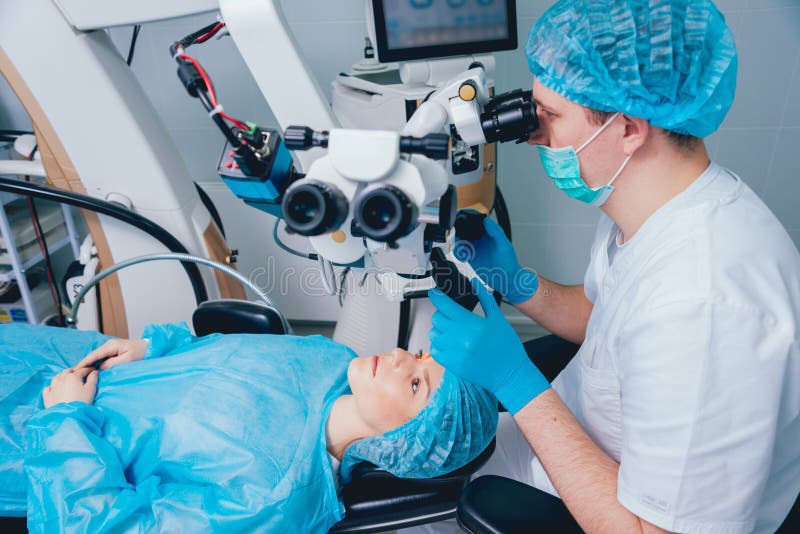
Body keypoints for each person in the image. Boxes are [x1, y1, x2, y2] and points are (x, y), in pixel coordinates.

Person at [425, 0, 800, 532]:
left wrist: (518, 383)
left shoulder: (706, 305)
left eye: (547, 117)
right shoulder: (654, 205)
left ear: (628, 127)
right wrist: (517, 283)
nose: (532, 135)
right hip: (570, 444)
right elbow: (607, 317)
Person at [0, 322, 497, 533]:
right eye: (419, 357)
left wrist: (63, 420)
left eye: (415, 385)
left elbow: (111, 529)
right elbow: (224, 349)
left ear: (404, 443)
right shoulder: (329, 358)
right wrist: (157, 348)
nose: (396, 358)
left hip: (31, 440)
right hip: (60, 357)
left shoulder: (276, 499)